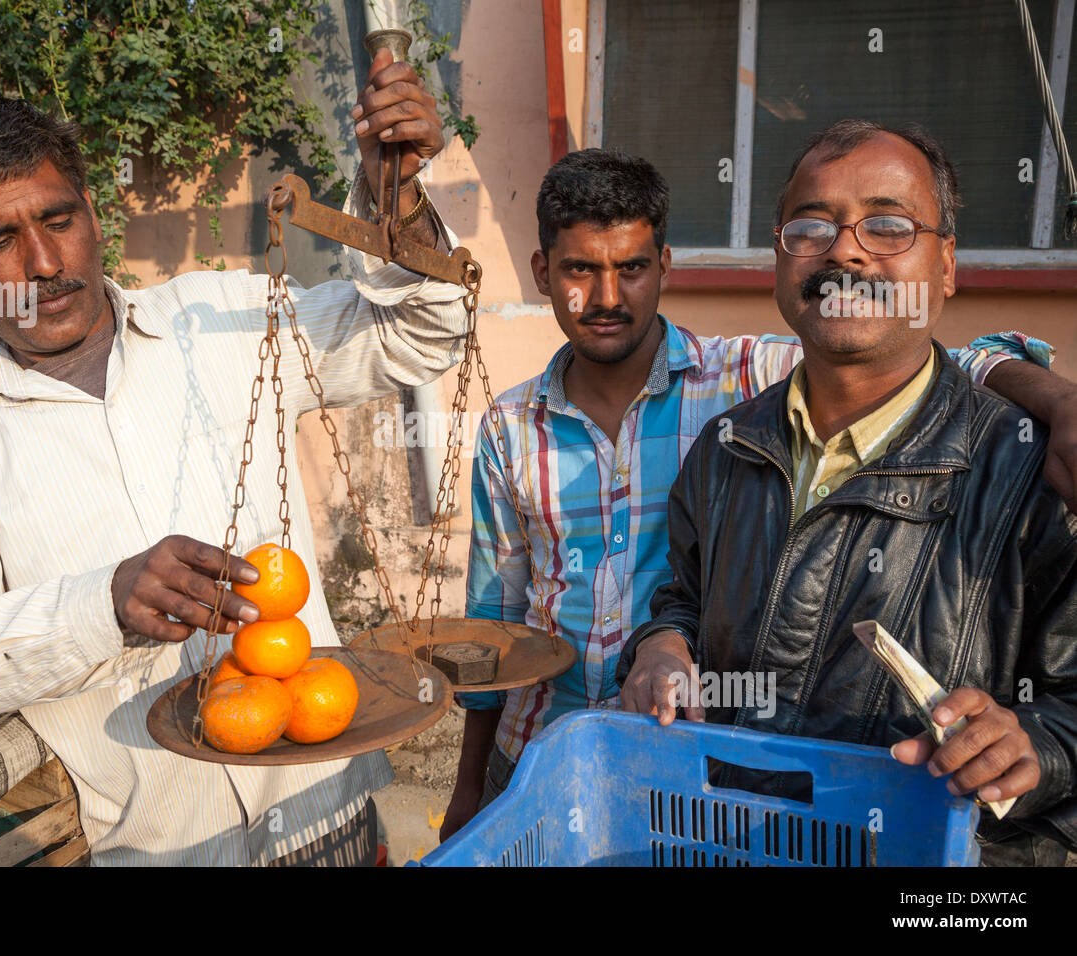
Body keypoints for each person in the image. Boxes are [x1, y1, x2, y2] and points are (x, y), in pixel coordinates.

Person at [0, 51, 466, 866]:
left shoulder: (217, 318)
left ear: (91, 210)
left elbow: (423, 334)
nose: (44, 265)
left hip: (330, 813)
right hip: (158, 850)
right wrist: (104, 605)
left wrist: (395, 205)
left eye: (57, 220)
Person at [443, 145, 1074, 843]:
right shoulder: (513, 422)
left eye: (631, 268)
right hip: (544, 754)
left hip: (686, 776)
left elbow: (923, 353)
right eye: (579, 271)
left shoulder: (740, 381)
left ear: (664, 267)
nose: (607, 298)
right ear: (543, 272)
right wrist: (470, 784)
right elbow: (494, 617)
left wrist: (1054, 397)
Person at [618, 120, 1077, 866]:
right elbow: (685, 599)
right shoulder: (728, 447)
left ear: (947, 266)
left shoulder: (1033, 471)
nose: (844, 250)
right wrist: (662, 646)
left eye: (888, 225)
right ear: (779, 259)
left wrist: (1032, 747)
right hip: (731, 844)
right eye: (811, 225)